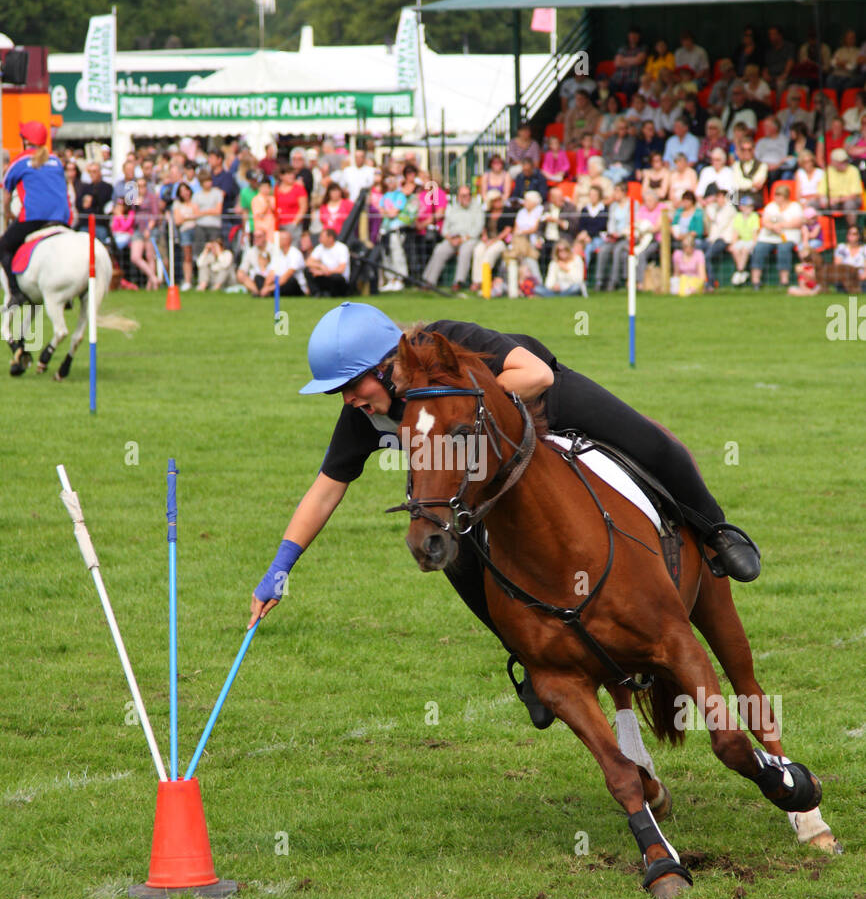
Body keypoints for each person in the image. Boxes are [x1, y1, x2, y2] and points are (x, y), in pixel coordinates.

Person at [247, 306, 762, 728]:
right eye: (340, 392)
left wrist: (481, 406)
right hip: (484, 462)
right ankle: (529, 655)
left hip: (547, 402)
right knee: (455, 554)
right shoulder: (365, 412)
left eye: (352, 385)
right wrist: (280, 567)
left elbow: (534, 374)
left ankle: (716, 532)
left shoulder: (450, 340)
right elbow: (324, 491)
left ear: (387, 366)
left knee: (655, 444)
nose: (349, 399)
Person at [0, 122, 71, 306]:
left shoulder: (20, 161)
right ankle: (68, 293)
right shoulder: (56, 161)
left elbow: (6, 195)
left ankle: (15, 292)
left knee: (4, 246)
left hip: (34, 217)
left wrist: (8, 214)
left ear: (25, 140)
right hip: (62, 217)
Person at [422, 185, 484, 289]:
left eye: (468, 195)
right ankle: (429, 281)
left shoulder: (477, 208)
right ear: (458, 197)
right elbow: (445, 229)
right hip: (452, 238)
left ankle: (459, 282)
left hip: (469, 239)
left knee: (465, 251)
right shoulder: (452, 208)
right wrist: (450, 238)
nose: (466, 198)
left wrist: (462, 239)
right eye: (463, 195)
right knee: (440, 249)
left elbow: (477, 229)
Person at [751, 184, 804, 287]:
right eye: (776, 195)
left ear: (785, 197)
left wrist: (781, 225)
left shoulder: (795, 207)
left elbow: (798, 222)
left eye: (779, 196)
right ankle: (756, 281)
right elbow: (764, 221)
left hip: (789, 236)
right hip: (770, 236)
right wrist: (773, 227)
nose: (777, 198)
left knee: (784, 249)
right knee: (759, 248)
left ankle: (784, 281)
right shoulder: (771, 206)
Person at [594, 183, 630, 291]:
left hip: (626, 237)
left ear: (623, 192)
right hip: (614, 237)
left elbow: (633, 222)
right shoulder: (613, 206)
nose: (615, 194)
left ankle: (614, 281)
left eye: (617, 191)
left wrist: (621, 233)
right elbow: (611, 223)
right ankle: (599, 280)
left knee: (618, 251)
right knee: (603, 250)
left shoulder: (632, 204)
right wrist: (612, 232)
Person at [305, 226, 350, 296]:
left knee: (336, 277)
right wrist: (320, 266)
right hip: (324, 275)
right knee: (308, 270)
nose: (319, 239)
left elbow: (341, 269)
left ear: (330, 238)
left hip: (338, 278)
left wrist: (324, 272)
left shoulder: (342, 248)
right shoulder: (320, 247)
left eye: (322, 237)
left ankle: (334, 294)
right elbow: (308, 262)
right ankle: (316, 293)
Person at [172, 182, 199, 289]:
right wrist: (191, 216)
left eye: (186, 190)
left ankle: (200, 280)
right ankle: (188, 281)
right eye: (182, 191)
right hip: (185, 231)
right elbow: (178, 220)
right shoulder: (177, 204)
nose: (185, 193)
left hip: (197, 230)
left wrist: (186, 217)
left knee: (198, 255)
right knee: (187, 256)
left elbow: (198, 214)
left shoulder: (195, 201)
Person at [729, 194, 761, 285]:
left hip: (751, 241)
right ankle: (742, 271)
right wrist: (733, 244)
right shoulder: (738, 216)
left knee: (745, 250)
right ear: (741, 207)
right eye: (747, 206)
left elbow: (755, 235)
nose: (749, 208)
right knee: (734, 249)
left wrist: (753, 244)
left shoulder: (754, 216)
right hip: (742, 240)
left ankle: (739, 271)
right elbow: (735, 233)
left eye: (751, 206)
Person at [671, 232, 707, 296]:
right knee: (674, 282)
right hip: (683, 281)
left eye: (689, 246)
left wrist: (695, 284)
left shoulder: (699, 254)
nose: (687, 248)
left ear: (693, 246)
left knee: (690, 288)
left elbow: (702, 276)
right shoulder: (677, 254)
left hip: (695, 281)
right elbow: (676, 274)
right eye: (684, 246)